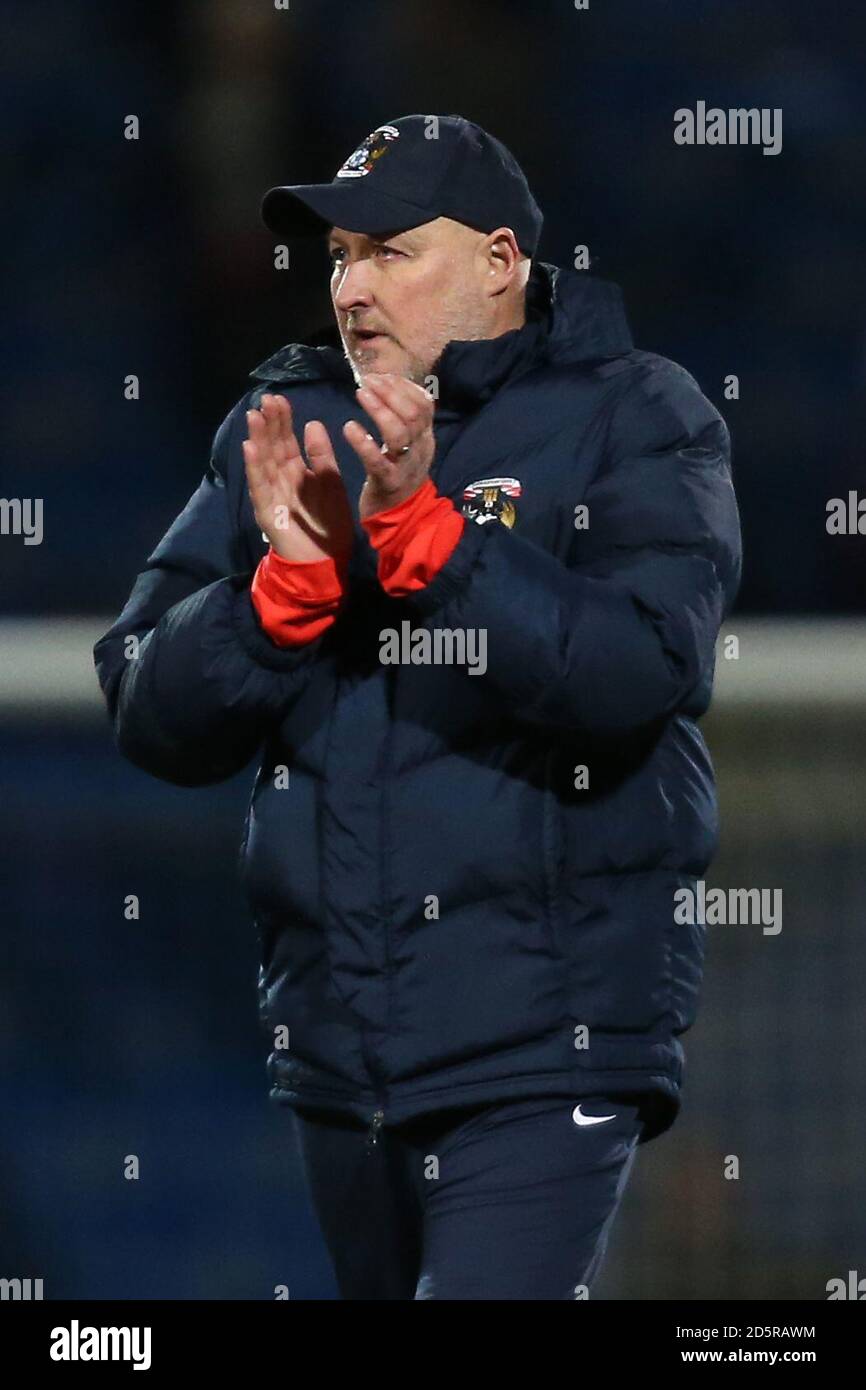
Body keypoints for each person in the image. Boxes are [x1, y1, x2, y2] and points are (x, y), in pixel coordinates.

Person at [94, 114, 742, 1299]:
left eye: (391, 250)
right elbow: (147, 706)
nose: (350, 286)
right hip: (342, 1057)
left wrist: (430, 541)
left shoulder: (634, 413)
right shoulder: (280, 427)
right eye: (340, 254)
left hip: (549, 1042)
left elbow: (638, 668)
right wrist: (276, 597)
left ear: (501, 262)